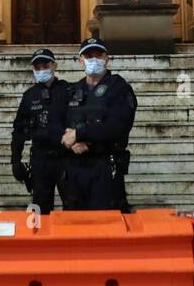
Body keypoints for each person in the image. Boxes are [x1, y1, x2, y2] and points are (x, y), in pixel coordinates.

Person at [45, 37, 137, 211]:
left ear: (107, 59)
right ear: (81, 61)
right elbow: (52, 122)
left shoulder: (119, 88)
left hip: (104, 169)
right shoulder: (71, 90)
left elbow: (118, 125)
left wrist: (79, 133)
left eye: (98, 55)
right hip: (73, 171)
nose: (93, 60)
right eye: (88, 56)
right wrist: (68, 141)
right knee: (75, 228)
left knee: (105, 227)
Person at [11, 48, 71, 214]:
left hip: (65, 158)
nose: (41, 70)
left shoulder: (67, 91)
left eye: (45, 65)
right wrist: (15, 159)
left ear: (54, 65)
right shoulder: (29, 96)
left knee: (72, 203)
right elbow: (19, 129)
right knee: (40, 209)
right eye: (37, 67)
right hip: (40, 159)